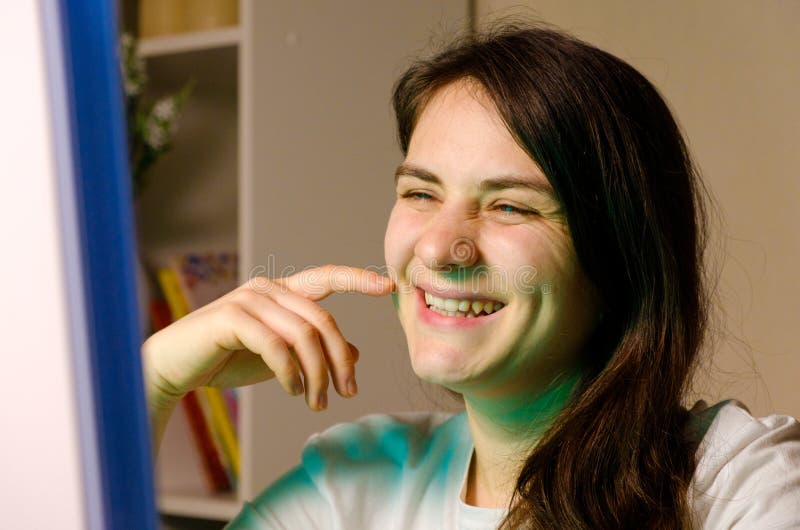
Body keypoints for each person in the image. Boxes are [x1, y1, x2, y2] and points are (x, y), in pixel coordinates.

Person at [142, 22, 800, 529]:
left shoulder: (741, 480)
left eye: (510, 205)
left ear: (620, 258)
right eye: (421, 194)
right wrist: (155, 381)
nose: (440, 248)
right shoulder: (352, 483)